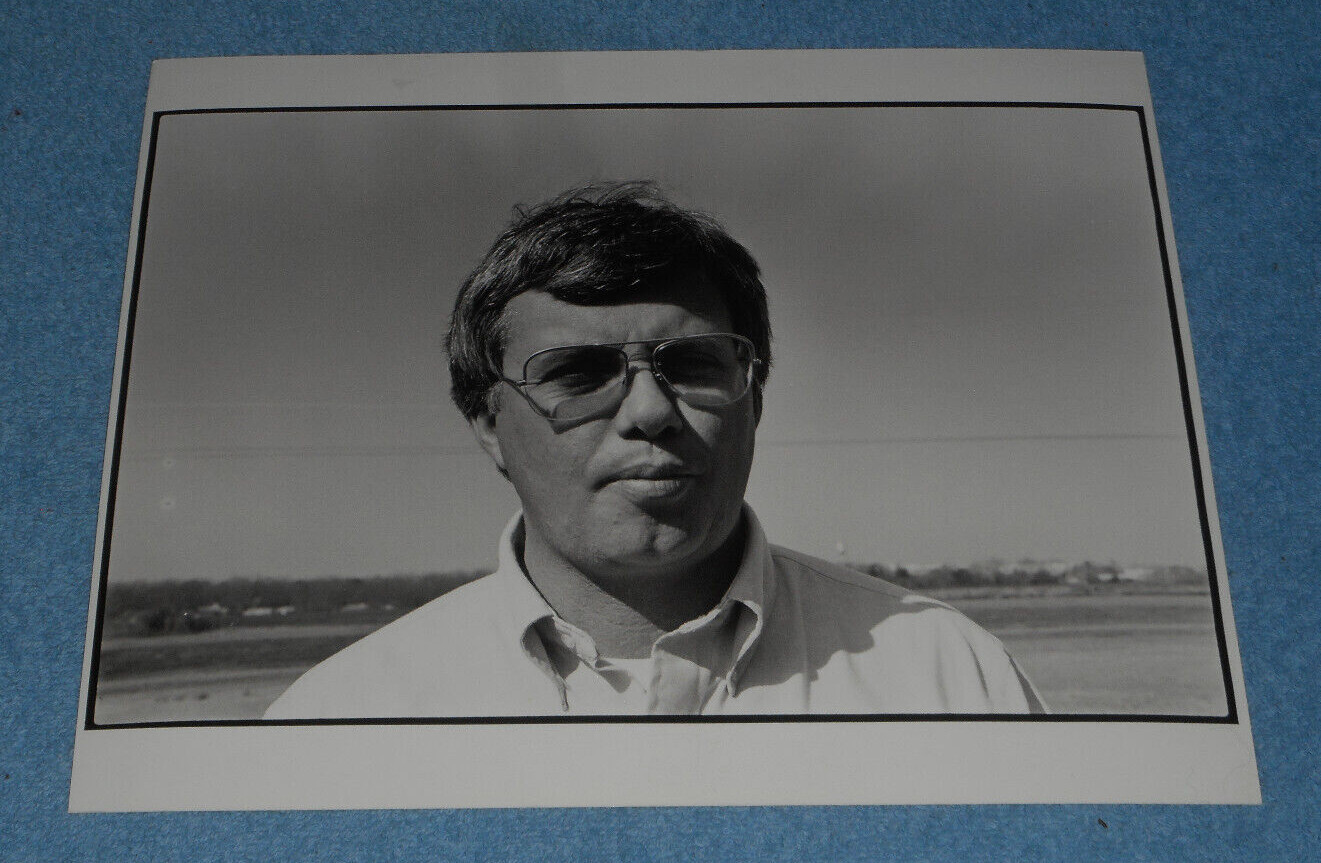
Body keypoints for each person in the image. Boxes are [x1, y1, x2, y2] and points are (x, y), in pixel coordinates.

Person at [264, 181, 1045, 718]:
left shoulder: (947, 676)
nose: (648, 411)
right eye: (577, 373)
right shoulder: (344, 716)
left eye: (694, 364)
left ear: (754, 400)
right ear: (488, 426)